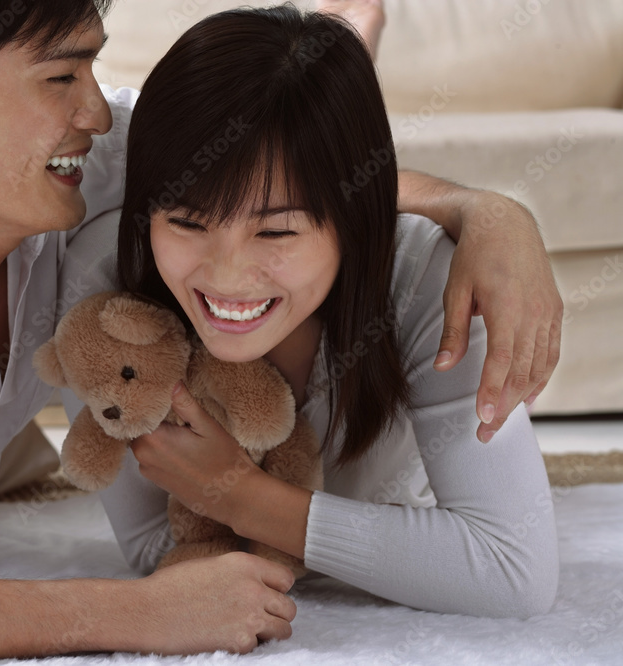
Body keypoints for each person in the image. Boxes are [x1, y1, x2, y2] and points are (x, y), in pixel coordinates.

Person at [0, 0, 559, 662]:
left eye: (92, 68)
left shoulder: (66, 158)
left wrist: (488, 213)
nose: (98, 108)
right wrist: (138, 616)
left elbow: (284, 169)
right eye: (61, 77)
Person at [105, 4, 558, 618]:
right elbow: (151, 547)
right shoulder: (120, 304)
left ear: (354, 224)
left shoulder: (430, 280)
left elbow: (513, 573)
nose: (226, 275)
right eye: (186, 222)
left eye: (276, 234)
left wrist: (241, 496)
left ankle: (351, 27)